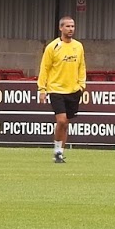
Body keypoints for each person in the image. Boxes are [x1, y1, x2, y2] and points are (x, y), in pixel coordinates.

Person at [37, 16, 87, 163]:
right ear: (61, 28)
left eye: (72, 26)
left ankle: (60, 152)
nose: (70, 29)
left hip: (73, 90)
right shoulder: (52, 47)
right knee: (61, 121)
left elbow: (81, 66)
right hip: (56, 89)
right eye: (67, 26)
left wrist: (82, 85)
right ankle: (57, 150)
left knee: (66, 123)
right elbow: (44, 68)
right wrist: (42, 89)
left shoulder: (78, 46)